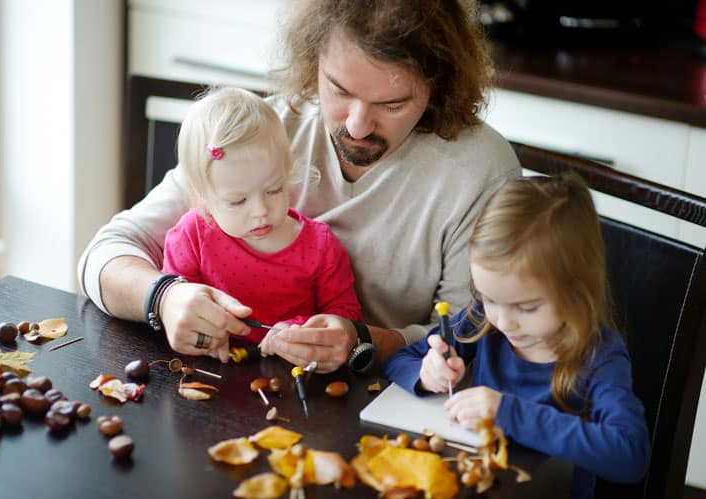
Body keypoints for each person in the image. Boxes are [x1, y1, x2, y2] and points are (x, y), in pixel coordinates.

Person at [77, 0, 521, 371]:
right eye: (339, 90)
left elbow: (475, 337)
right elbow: (104, 254)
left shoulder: (476, 170)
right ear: (314, 63)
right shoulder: (270, 129)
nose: (357, 125)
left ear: (438, 85)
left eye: (392, 103)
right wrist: (164, 297)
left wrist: (364, 341)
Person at [383, 173, 650, 498]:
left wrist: (507, 413)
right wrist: (427, 373)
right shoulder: (483, 320)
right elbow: (399, 359)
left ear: (578, 291)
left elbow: (631, 455)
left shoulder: (599, 356)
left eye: (526, 307)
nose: (504, 322)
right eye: (490, 298)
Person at [160, 86, 361, 350]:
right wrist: (200, 334)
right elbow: (175, 306)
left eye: (273, 190)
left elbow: (346, 317)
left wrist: (302, 330)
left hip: (292, 377)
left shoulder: (320, 246)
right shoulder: (191, 236)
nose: (260, 211)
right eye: (237, 201)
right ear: (203, 198)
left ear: (287, 173)